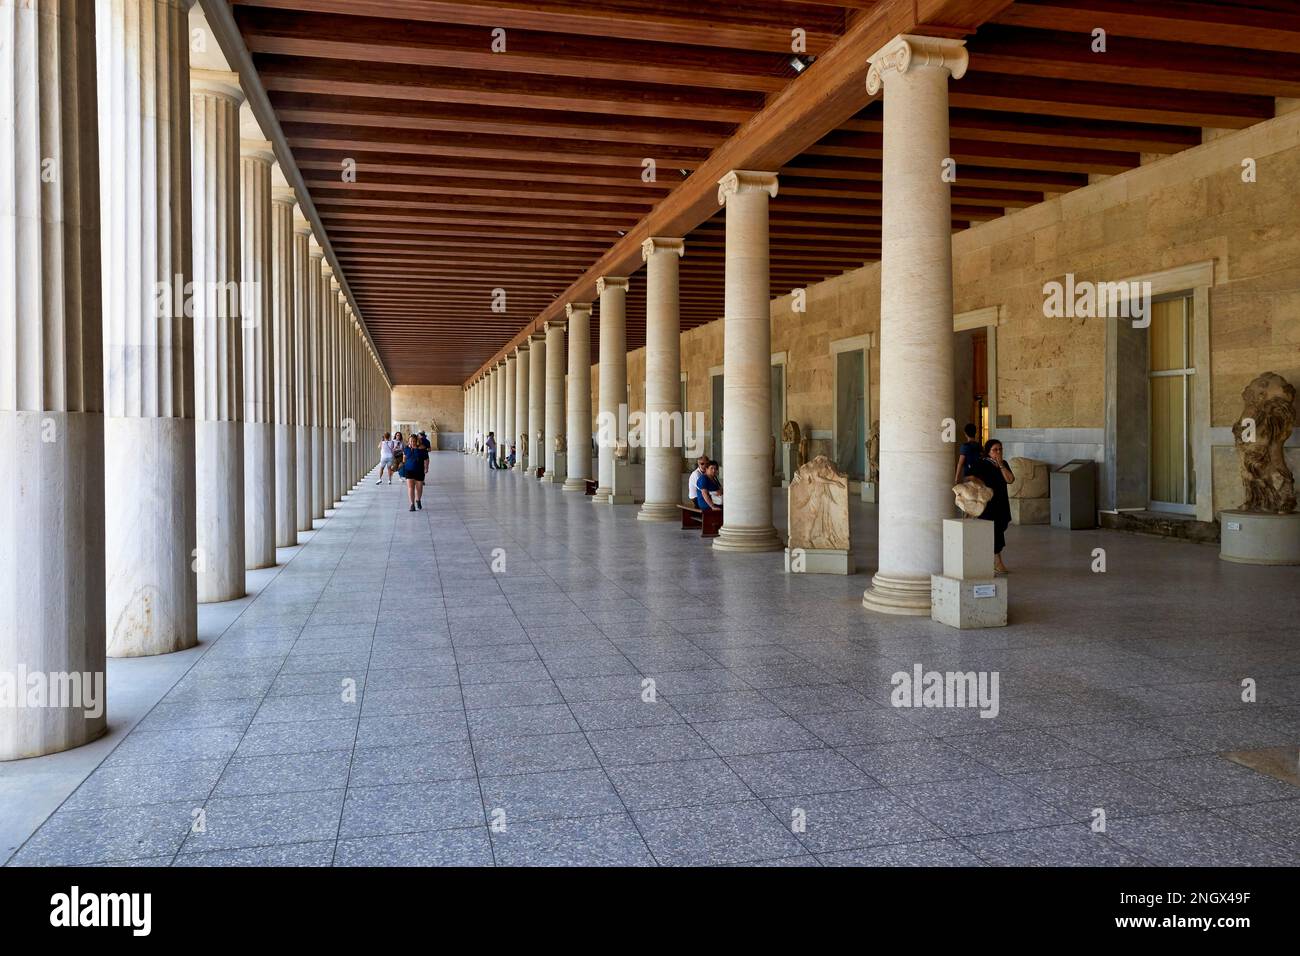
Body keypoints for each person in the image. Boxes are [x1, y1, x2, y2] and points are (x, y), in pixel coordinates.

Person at [971, 438, 1015, 574]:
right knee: (992, 532)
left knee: (999, 530)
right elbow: (971, 478)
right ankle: (997, 561)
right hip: (988, 504)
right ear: (988, 451)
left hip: (1001, 502)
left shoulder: (1004, 463)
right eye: (995, 450)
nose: (998, 452)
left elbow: (1010, 479)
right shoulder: (982, 464)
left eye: (1000, 449)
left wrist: (1001, 465)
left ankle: (995, 561)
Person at [400, 433, 429, 511]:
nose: (412, 443)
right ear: (409, 442)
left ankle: (418, 500)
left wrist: (426, 468)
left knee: (419, 488)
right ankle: (412, 505)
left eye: (414, 441)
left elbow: (426, 459)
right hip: (409, 471)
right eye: (411, 441)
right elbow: (404, 458)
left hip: (419, 471)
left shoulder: (422, 450)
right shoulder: (406, 449)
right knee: (410, 488)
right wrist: (404, 465)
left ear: (417, 441)